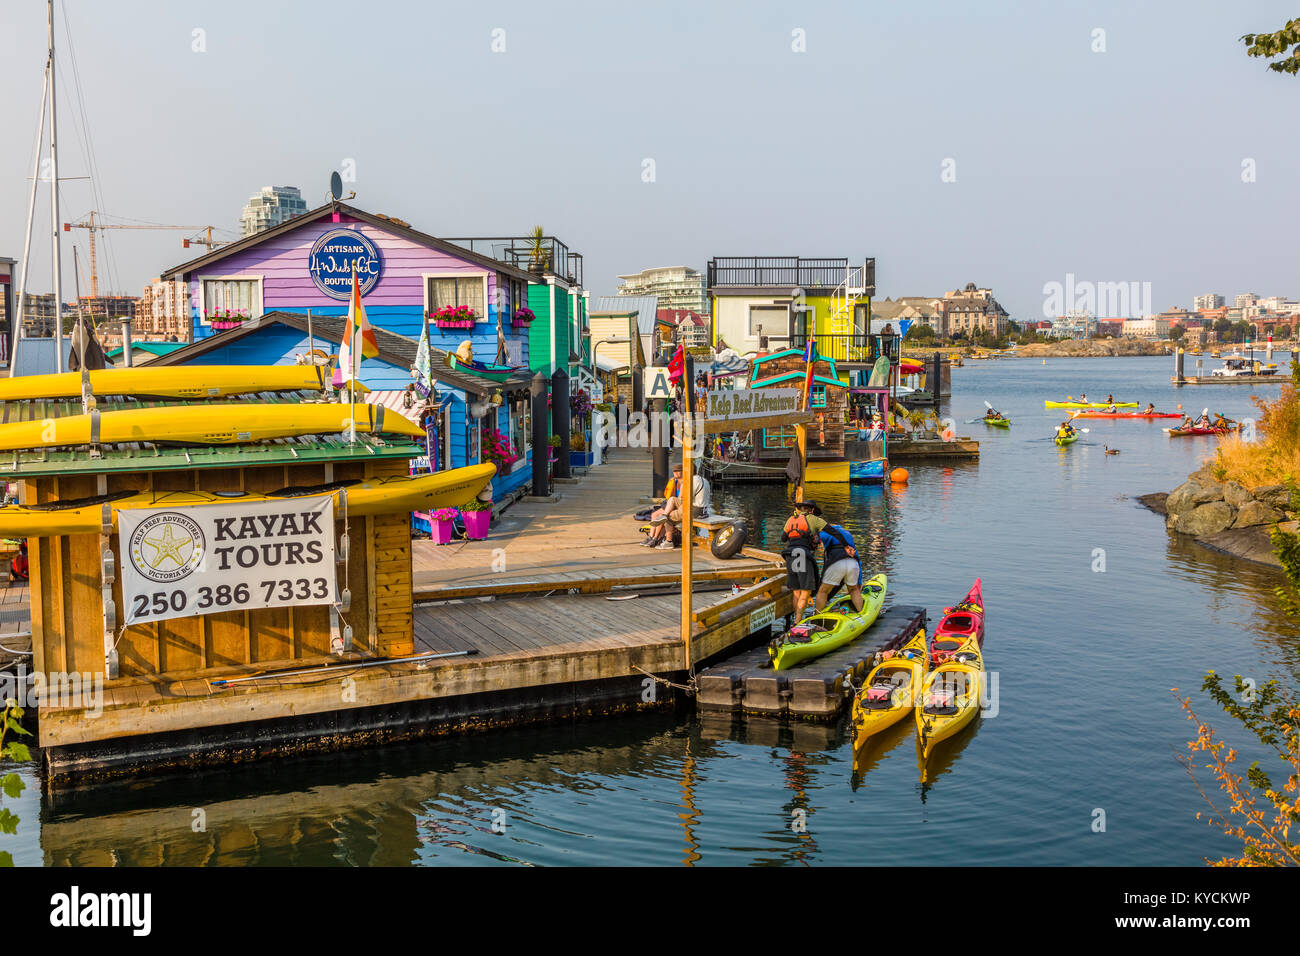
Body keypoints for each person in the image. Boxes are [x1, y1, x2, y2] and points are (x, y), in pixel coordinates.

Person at [781, 501, 825, 620]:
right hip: (803, 555)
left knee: (796, 592)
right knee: (805, 593)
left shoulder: (791, 520)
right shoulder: (813, 519)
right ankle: (797, 622)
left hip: (790, 555)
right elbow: (833, 531)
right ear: (811, 510)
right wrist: (846, 545)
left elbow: (783, 538)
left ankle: (796, 619)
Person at [815, 520, 863, 613]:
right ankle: (861, 613)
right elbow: (858, 558)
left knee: (823, 591)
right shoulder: (848, 534)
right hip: (853, 562)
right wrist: (859, 582)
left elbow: (818, 540)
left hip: (837, 560)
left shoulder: (826, 531)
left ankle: (816, 616)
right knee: (853, 590)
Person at [659, 463, 711, 551]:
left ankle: (669, 541)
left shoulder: (692, 481)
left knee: (669, 518)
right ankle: (664, 514)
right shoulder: (704, 480)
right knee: (672, 499)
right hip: (703, 509)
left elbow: (687, 498)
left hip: (695, 510)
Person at [644, 464, 683, 547]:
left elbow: (678, 499)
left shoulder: (684, 483)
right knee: (654, 514)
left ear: (683, 472)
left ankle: (656, 538)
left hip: (678, 506)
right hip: (671, 505)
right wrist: (671, 485)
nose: (675, 473)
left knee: (662, 517)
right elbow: (669, 496)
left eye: (677, 471)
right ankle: (651, 537)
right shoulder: (674, 481)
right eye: (674, 471)